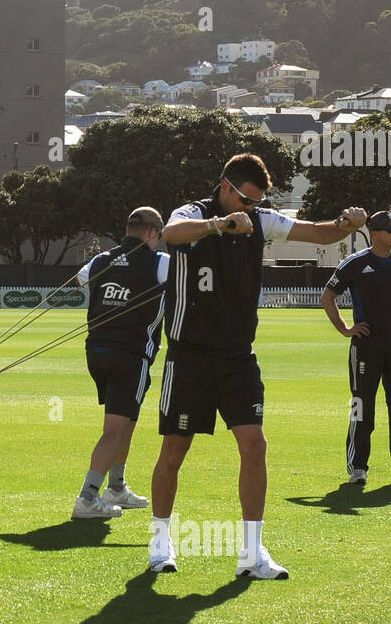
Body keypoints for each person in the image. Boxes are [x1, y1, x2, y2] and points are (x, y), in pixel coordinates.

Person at [148, 153, 366, 578]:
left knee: (255, 445)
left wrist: (345, 224)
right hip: (190, 354)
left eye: (256, 203)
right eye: (245, 201)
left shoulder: (261, 220)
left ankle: (251, 553)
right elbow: (171, 234)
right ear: (226, 187)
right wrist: (220, 225)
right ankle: (160, 542)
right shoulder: (195, 213)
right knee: (175, 448)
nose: (251, 210)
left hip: (238, 356)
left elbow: (317, 234)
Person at [71, 206, 167, 520]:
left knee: (125, 421)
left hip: (96, 351)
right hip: (130, 355)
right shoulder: (161, 263)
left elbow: (80, 280)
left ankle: (116, 487)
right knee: (115, 430)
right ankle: (87, 497)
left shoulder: (100, 260)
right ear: (153, 233)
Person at [320, 211, 391, 487]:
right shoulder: (355, 263)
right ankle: (358, 469)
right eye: (390, 229)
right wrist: (345, 329)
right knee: (361, 409)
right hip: (366, 349)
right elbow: (327, 297)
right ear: (375, 233)